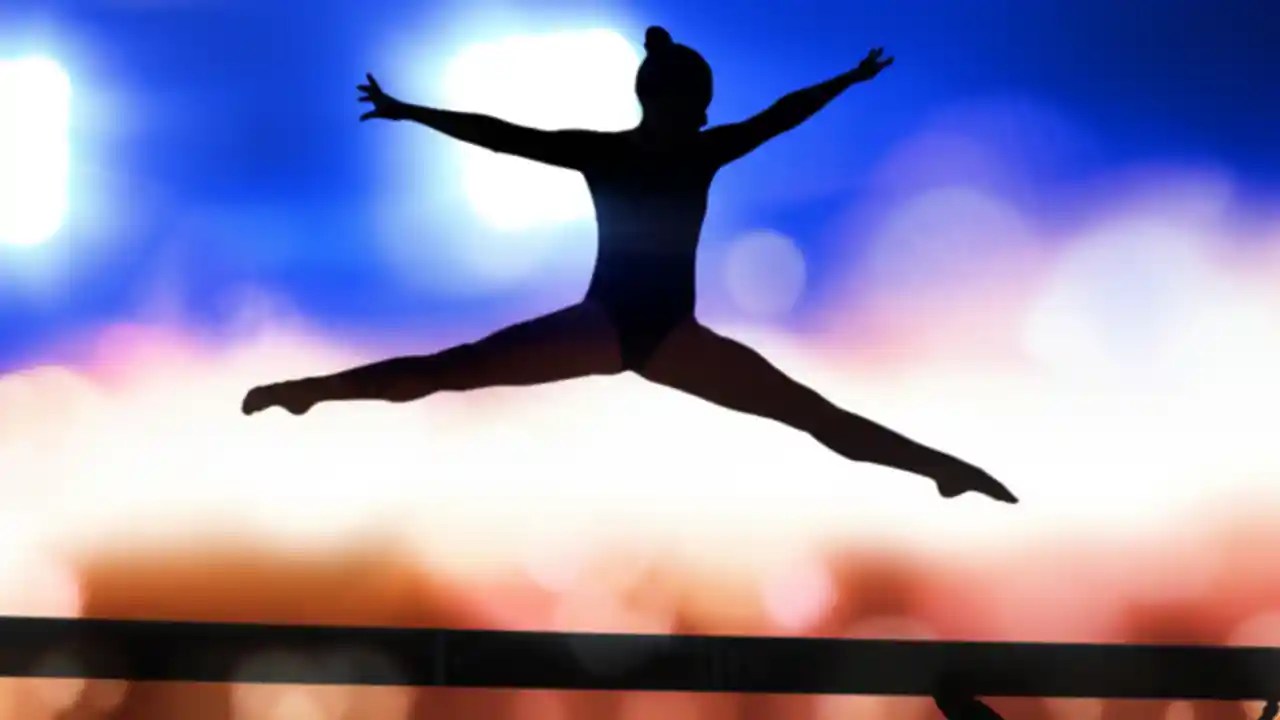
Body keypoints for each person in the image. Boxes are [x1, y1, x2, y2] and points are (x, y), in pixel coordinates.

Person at [242, 26, 1017, 504]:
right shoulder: (631, 152)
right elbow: (501, 133)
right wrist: (411, 111)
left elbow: (781, 114)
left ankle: (940, 469)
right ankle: (310, 392)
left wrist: (843, 82)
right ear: (678, 102)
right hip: (611, 327)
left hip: (665, 335)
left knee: (808, 413)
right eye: (700, 102)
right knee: (456, 368)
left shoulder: (688, 149)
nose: (709, 115)